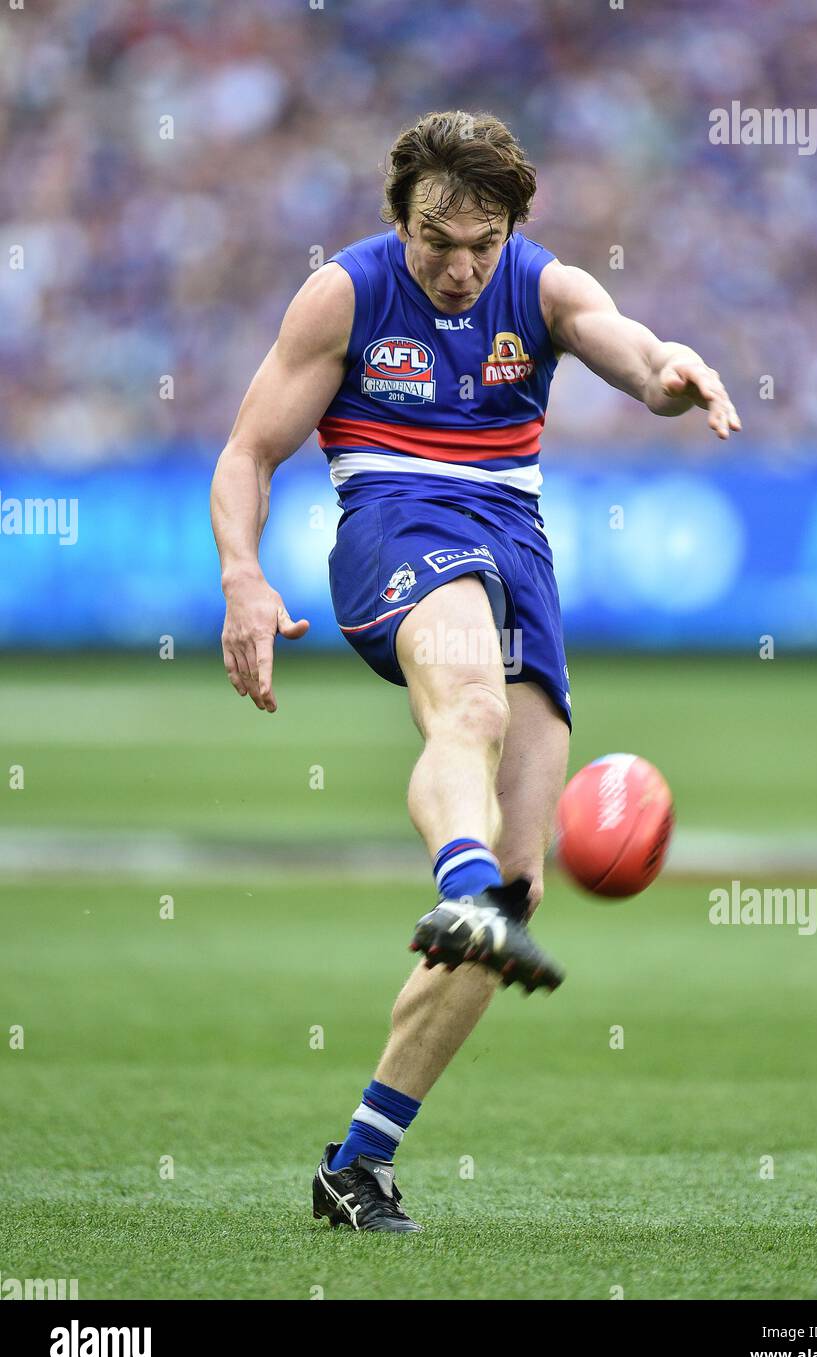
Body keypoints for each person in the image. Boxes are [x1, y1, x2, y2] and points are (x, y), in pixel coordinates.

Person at [210, 110, 741, 1234]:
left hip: (518, 548)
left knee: (519, 887)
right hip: (395, 523)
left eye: (480, 243)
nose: (458, 267)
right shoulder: (344, 296)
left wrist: (671, 370)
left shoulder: (541, 290)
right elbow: (248, 451)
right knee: (465, 703)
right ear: (397, 218)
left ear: (509, 230)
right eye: (436, 239)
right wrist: (243, 578)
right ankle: (458, 889)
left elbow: (629, 351)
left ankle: (358, 1160)